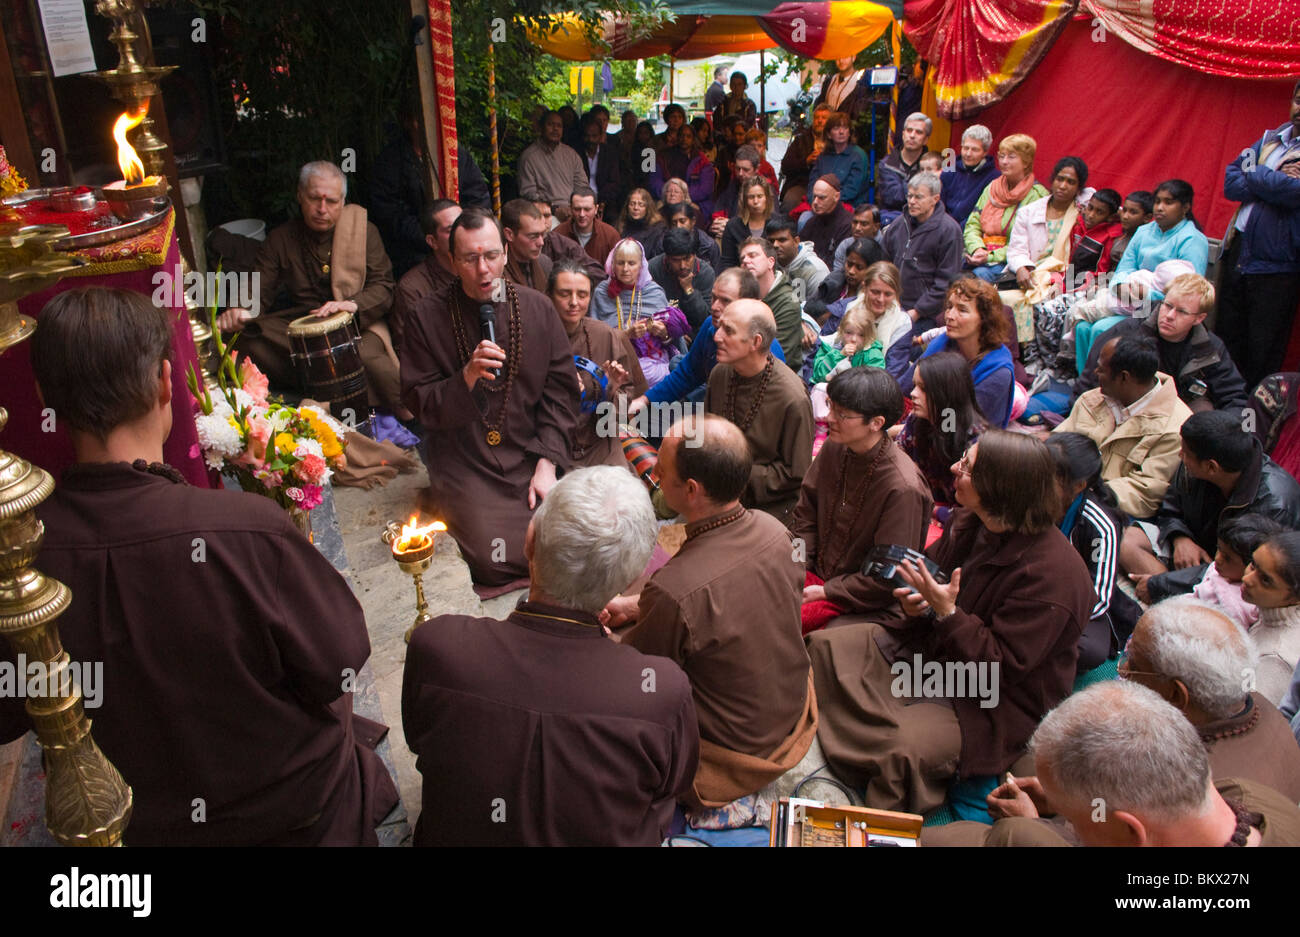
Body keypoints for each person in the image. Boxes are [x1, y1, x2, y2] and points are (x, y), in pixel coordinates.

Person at [0, 287, 399, 845]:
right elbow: (338, 663)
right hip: (288, 812)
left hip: (134, 825)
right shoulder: (245, 529)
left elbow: (13, 714)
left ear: (44, 395)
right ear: (167, 382)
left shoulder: (23, 561)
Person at [402, 466, 699, 845]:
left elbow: (418, 741)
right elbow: (673, 784)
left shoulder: (437, 645)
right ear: (631, 579)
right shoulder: (660, 691)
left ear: (530, 542)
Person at [808, 431, 1096, 813]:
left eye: (969, 468)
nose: (954, 468)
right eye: (964, 457)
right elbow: (934, 575)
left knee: (903, 748)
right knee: (828, 644)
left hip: (991, 697)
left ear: (999, 489)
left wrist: (945, 613)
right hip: (934, 648)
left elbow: (1000, 668)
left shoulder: (1054, 578)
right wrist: (919, 602)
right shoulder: (972, 520)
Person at [607, 416, 815, 810]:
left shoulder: (673, 590)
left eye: (661, 470)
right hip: (790, 707)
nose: (653, 472)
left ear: (690, 490)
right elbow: (732, 596)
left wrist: (598, 642)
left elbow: (639, 676)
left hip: (734, 747)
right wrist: (638, 606)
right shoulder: (776, 531)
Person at [399, 209, 579, 586]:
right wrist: (464, 378)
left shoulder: (538, 308)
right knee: (493, 554)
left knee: (576, 533)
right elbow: (418, 401)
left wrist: (547, 461)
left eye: (492, 256)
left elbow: (561, 393)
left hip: (531, 451)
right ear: (451, 261)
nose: (484, 270)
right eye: (470, 258)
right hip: (467, 459)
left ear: (506, 252)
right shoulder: (424, 317)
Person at [954, 681, 1300, 847]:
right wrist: (1069, 803)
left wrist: (1037, 825)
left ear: (1132, 832)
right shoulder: (1245, 797)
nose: (1068, 822)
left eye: (1073, 820)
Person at [217, 161, 406, 421]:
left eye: (332, 201)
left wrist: (352, 305)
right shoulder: (281, 238)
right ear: (299, 196)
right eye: (314, 198)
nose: (322, 209)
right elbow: (259, 284)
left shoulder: (363, 232)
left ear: (343, 201)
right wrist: (241, 309)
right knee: (244, 338)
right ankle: (297, 396)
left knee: (363, 359)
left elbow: (384, 286)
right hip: (301, 330)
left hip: (355, 325)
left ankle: (389, 407)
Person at [794, 368, 933, 631]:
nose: (827, 417)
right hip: (815, 575)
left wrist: (829, 591)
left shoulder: (902, 488)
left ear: (876, 423)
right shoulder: (837, 446)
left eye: (841, 414)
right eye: (829, 406)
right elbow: (805, 513)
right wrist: (798, 563)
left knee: (779, 626)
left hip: (864, 601)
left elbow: (887, 577)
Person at [1123, 409, 1300, 600]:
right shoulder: (1195, 462)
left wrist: (1160, 584)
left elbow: (1242, 570)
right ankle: (1165, 595)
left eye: (1186, 452)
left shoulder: (1274, 504)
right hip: (1194, 552)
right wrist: (1180, 537)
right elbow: (1171, 507)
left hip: (1228, 574)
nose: (1180, 454)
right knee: (1127, 539)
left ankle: (1161, 593)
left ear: (1211, 467)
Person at [1216, 81, 1300, 390]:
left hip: (1278, 265)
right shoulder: (1268, 140)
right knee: (1227, 334)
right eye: (1298, 100)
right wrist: (1275, 179)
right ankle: (1220, 406)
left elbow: (1295, 192)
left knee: (1261, 348)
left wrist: (1259, 174)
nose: (1299, 109)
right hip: (1239, 251)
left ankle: (1251, 417)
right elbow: (1231, 181)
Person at [1056, 334, 1192, 520]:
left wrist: (1079, 492)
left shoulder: (1175, 428)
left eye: (1101, 369)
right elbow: (1059, 444)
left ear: (1123, 378)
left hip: (1117, 513)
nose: (1095, 372)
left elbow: (1144, 494)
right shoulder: (1091, 400)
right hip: (1067, 494)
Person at [704, 299, 814, 521]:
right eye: (720, 327)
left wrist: (732, 473)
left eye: (729, 331)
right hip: (714, 489)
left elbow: (795, 473)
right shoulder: (720, 374)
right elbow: (706, 430)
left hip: (767, 510)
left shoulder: (792, 397)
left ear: (755, 342)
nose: (717, 337)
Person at [1075, 274, 1248, 414]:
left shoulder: (1209, 348)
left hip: (1181, 412)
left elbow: (1234, 396)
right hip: (1131, 407)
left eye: (1181, 311)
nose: (1170, 315)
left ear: (1199, 318)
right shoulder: (1127, 332)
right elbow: (1090, 379)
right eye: (1167, 305)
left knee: (1205, 413)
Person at [630, 268, 786, 413]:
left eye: (725, 301)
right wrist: (646, 400)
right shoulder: (710, 326)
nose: (715, 306)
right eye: (714, 297)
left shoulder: (768, 353)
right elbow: (688, 373)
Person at [1045, 432, 1133, 672]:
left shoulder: (1099, 525)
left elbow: (1099, 596)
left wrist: (1047, 613)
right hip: (1027, 586)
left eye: (1049, 476)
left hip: (1071, 606)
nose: (1038, 479)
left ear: (1079, 485)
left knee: (1089, 650)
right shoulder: (1031, 497)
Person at [547, 261, 646, 468]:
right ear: (549, 295)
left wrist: (610, 389)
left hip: (600, 445)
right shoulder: (534, 336)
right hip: (550, 449)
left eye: (582, 295)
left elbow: (623, 412)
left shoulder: (604, 335)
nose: (574, 302)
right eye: (565, 294)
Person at [903, 276, 1017, 428]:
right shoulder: (941, 343)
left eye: (962, 310)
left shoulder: (997, 373)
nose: (949, 316)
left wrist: (901, 429)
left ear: (984, 319)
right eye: (950, 307)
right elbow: (904, 387)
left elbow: (958, 426)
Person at [896, 350, 987, 516]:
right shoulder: (927, 419)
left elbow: (971, 513)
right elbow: (898, 458)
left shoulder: (975, 442)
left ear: (946, 392)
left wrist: (934, 510)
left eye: (923, 388)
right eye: (915, 385)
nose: (913, 393)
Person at [879, 171, 965, 333]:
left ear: (935, 199)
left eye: (918, 197)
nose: (911, 202)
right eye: (909, 196)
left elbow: (946, 282)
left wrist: (918, 311)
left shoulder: (949, 231)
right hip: (891, 306)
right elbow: (883, 266)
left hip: (927, 315)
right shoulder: (898, 225)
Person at [962, 134, 1048, 283]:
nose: (1004, 162)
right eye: (1001, 156)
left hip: (1009, 262)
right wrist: (977, 249)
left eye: (1011, 157)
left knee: (976, 278)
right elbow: (972, 224)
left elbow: (1028, 243)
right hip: (980, 254)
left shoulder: (1037, 195)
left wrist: (990, 256)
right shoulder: (992, 187)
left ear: (1026, 162)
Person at [1109, 179, 1210, 298]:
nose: (1159, 208)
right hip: (1127, 298)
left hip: (1163, 308)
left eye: (1168, 202)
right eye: (1157, 202)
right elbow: (1125, 268)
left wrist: (1146, 294)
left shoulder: (1192, 240)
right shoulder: (1143, 231)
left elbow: (1189, 290)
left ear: (1185, 207)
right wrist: (1119, 285)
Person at [1007, 156, 1090, 290]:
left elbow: (1098, 198)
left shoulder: (1083, 212)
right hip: (1031, 274)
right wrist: (1021, 268)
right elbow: (1016, 250)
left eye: (1071, 182)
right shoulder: (1029, 212)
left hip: (1064, 279)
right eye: (1060, 179)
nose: (1063, 186)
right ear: (1053, 180)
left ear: (1079, 188)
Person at [1186, 514, 1283, 627]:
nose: (1217, 559)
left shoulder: (1244, 607)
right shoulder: (1220, 571)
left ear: (1252, 563)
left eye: (1227, 558)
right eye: (1218, 549)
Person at [394, 198, 460, 352]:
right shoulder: (412, 288)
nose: (461, 233)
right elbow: (410, 348)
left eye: (464, 224)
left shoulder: (483, 270)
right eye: (451, 230)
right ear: (432, 241)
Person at [1243, 531, 1300, 706]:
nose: (1247, 579)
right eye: (1253, 565)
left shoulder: (1275, 659)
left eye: (1266, 580)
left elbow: (1249, 714)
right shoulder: (1266, 610)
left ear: (1295, 598)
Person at [738, 237, 806, 374]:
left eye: (753, 255)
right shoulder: (741, 294)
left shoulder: (788, 302)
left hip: (778, 377)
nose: (745, 261)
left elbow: (778, 357)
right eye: (742, 259)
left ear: (771, 262)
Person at [517, 109, 588, 219]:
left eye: (559, 126)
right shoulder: (529, 157)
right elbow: (528, 193)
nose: (555, 129)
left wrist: (575, 207)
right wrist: (554, 209)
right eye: (550, 124)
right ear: (541, 127)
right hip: (545, 213)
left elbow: (582, 185)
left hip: (574, 210)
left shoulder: (571, 154)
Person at [648, 226, 715, 332]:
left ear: (694, 255)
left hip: (693, 332)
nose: (683, 265)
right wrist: (674, 330)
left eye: (687, 258)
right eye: (676, 260)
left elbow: (704, 319)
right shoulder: (652, 269)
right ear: (667, 258)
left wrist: (689, 289)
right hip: (661, 329)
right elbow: (648, 309)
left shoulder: (705, 273)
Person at [877, 112, 935, 218]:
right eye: (909, 130)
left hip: (923, 219)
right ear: (903, 134)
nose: (912, 135)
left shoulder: (932, 165)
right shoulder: (887, 164)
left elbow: (931, 200)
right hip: (892, 218)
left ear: (926, 139)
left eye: (918, 132)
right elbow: (892, 198)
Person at [810, 302, 882, 385]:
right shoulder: (829, 347)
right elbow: (818, 376)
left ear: (869, 336)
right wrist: (839, 355)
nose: (854, 339)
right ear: (840, 331)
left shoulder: (873, 355)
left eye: (861, 335)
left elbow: (875, 383)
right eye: (848, 333)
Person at [940, 124, 998, 226]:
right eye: (965, 148)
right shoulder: (949, 172)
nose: (968, 154)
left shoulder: (994, 178)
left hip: (970, 230)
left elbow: (984, 213)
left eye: (975, 150)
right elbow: (938, 204)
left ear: (985, 152)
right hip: (942, 227)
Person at [808, 112, 868, 208]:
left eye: (845, 128)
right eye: (836, 128)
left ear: (849, 133)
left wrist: (829, 201)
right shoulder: (823, 156)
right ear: (829, 134)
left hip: (849, 206)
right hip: (820, 204)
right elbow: (812, 184)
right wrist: (814, 201)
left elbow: (852, 190)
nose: (841, 132)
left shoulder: (858, 156)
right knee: (804, 219)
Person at [780, 104, 831, 211]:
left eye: (824, 118)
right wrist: (806, 162)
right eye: (817, 118)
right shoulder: (801, 139)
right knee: (790, 201)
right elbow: (785, 166)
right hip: (803, 184)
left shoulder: (835, 141)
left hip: (828, 186)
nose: (820, 121)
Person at [719, 177, 776, 271]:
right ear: (744, 200)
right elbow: (727, 262)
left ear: (767, 198)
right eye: (751, 197)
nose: (756, 201)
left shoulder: (777, 223)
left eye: (760, 196)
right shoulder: (733, 226)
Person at [554, 186, 621, 266]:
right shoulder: (558, 234)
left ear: (596, 209)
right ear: (571, 208)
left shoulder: (610, 236)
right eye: (577, 209)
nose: (582, 214)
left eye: (587, 209)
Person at [767, 215, 829, 299]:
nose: (775, 245)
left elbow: (818, 308)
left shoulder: (815, 270)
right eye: (771, 241)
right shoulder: (768, 264)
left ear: (796, 241)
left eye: (782, 240)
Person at [575, 112, 623, 221]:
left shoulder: (609, 153)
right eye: (587, 136)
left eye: (594, 136)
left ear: (601, 136)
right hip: (580, 199)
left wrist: (600, 200)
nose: (590, 140)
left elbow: (615, 183)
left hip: (605, 200)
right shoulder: (576, 153)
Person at [1068, 188, 1125, 276]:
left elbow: (1101, 271)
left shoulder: (1109, 237)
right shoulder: (1078, 224)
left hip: (1087, 283)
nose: (1091, 215)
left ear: (1111, 217)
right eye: (1090, 208)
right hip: (1067, 275)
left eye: (1099, 212)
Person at [801, 175, 854, 267]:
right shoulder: (811, 223)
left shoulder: (847, 225)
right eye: (814, 197)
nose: (815, 202)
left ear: (836, 197)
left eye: (821, 198)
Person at [501, 197, 553, 292]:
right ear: (509, 234)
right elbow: (499, 305)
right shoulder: (496, 272)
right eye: (533, 236)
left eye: (543, 234)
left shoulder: (545, 264)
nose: (541, 242)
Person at [709, 144, 761, 238]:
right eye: (738, 168)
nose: (740, 173)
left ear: (756, 169)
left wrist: (731, 227)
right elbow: (720, 206)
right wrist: (718, 222)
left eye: (746, 170)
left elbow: (763, 230)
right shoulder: (734, 184)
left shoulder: (766, 192)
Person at [660, 201, 722, 269]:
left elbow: (716, 273)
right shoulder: (663, 243)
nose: (678, 226)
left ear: (693, 221)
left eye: (682, 221)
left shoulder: (708, 245)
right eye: (674, 223)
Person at [1110, 190, 1154, 272]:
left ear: (1147, 217)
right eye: (1124, 210)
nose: (1125, 216)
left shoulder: (1147, 243)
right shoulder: (1117, 231)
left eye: (1133, 212)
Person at [831, 204, 882, 273]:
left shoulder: (885, 247)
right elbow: (837, 276)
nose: (857, 228)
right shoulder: (845, 245)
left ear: (876, 227)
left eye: (864, 224)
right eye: (855, 222)